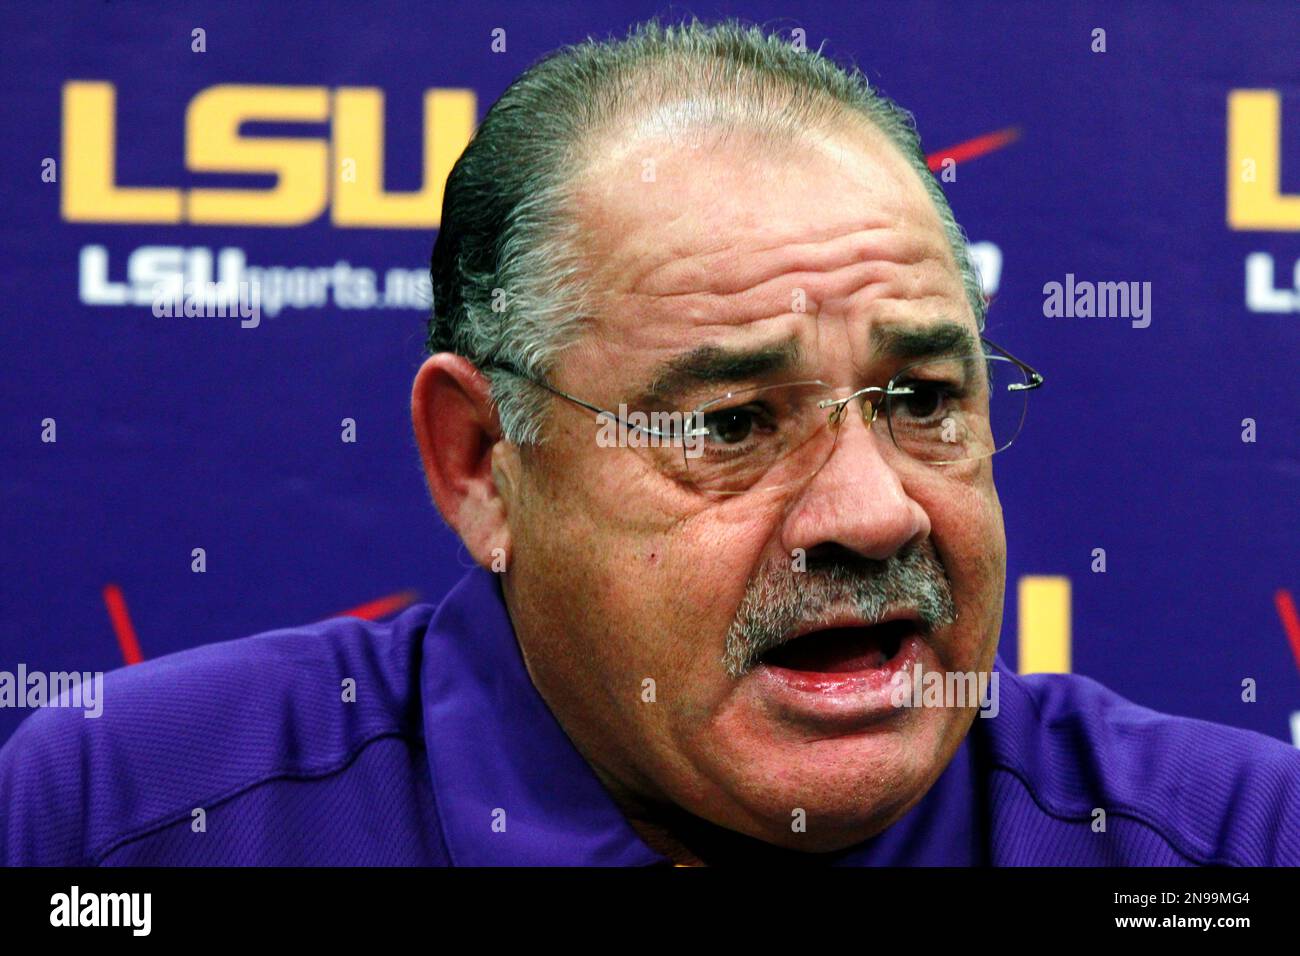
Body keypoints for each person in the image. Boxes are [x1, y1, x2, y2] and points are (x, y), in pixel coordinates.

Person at [3, 18, 1297, 867]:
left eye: (921, 403)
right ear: (480, 461)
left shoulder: (1224, 851)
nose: (875, 512)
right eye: (731, 423)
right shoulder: (130, 820)